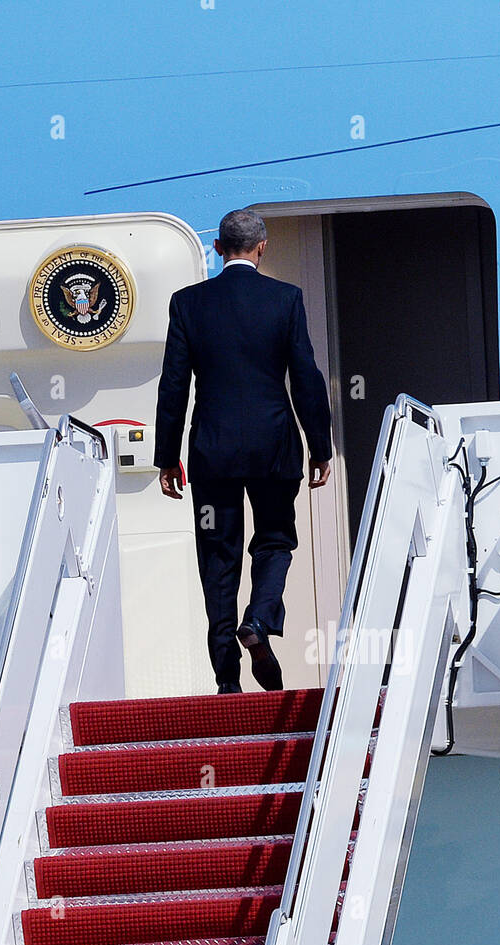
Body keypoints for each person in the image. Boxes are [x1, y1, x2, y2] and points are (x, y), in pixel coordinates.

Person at [156, 208, 333, 693]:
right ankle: (258, 620)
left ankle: (227, 680)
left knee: (218, 554)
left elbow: (174, 386)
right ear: (262, 247)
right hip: (274, 448)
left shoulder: (188, 303)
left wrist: (166, 455)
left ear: (217, 249)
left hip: (211, 455)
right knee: (274, 540)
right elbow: (306, 377)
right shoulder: (285, 299)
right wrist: (321, 447)